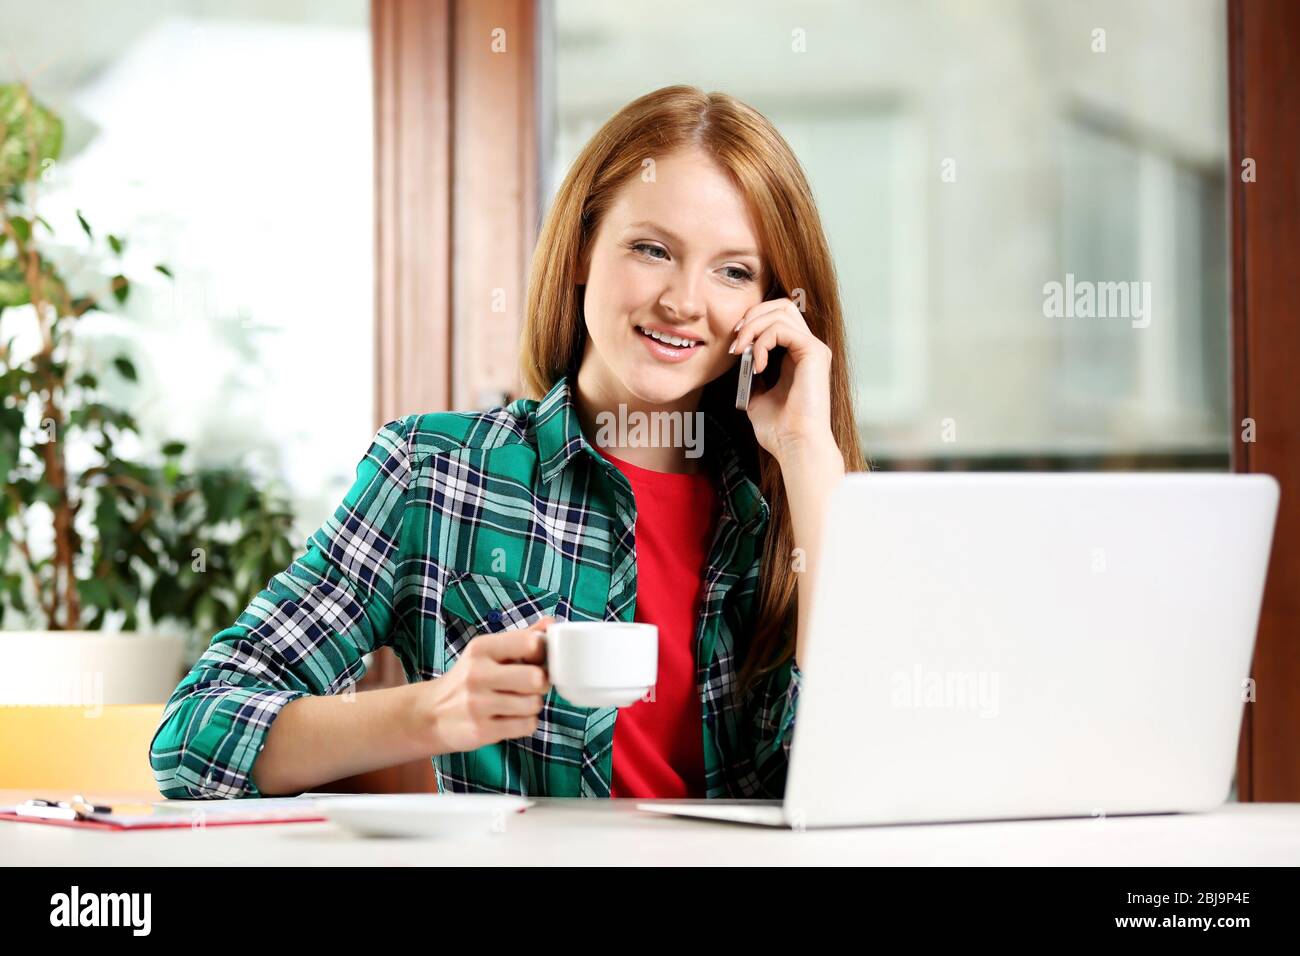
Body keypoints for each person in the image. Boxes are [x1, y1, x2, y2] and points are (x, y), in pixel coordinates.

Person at [149, 84, 867, 801]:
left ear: (770, 304)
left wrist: (810, 455)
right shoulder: (436, 472)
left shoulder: (791, 507)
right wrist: (431, 712)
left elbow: (858, 788)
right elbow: (193, 739)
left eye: (733, 271)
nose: (683, 301)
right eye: (652, 250)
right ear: (583, 248)